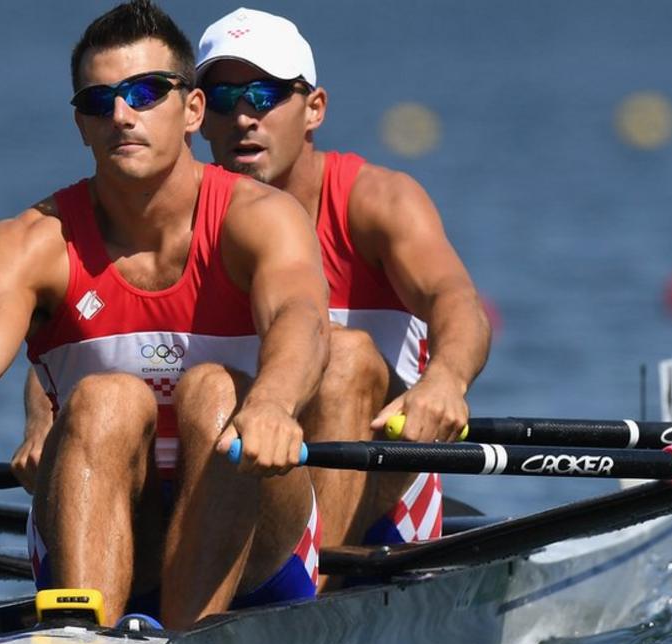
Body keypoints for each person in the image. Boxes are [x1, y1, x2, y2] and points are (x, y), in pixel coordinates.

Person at [0, 0, 330, 629]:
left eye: (146, 92)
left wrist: (274, 403)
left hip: (259, 541)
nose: (121, 114)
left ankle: (183, 639)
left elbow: (302, 319)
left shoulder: (259, 219)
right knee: (104, 399)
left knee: (216, 391)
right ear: (82, 124)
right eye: (99, 102)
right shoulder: (32, 241)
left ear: (193, 110)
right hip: (103, 519)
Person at [192, 8, 493, 566]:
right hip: (246, 482)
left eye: (263, 95)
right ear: (197, 116)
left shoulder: (379, 202)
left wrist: (445, 380)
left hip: (380, 503)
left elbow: (457, 301)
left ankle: (309, 599)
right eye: (223, 98)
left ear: (314, 109)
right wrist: (44, 423)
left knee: (345, 353)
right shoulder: (173, 217)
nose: (242, 118)